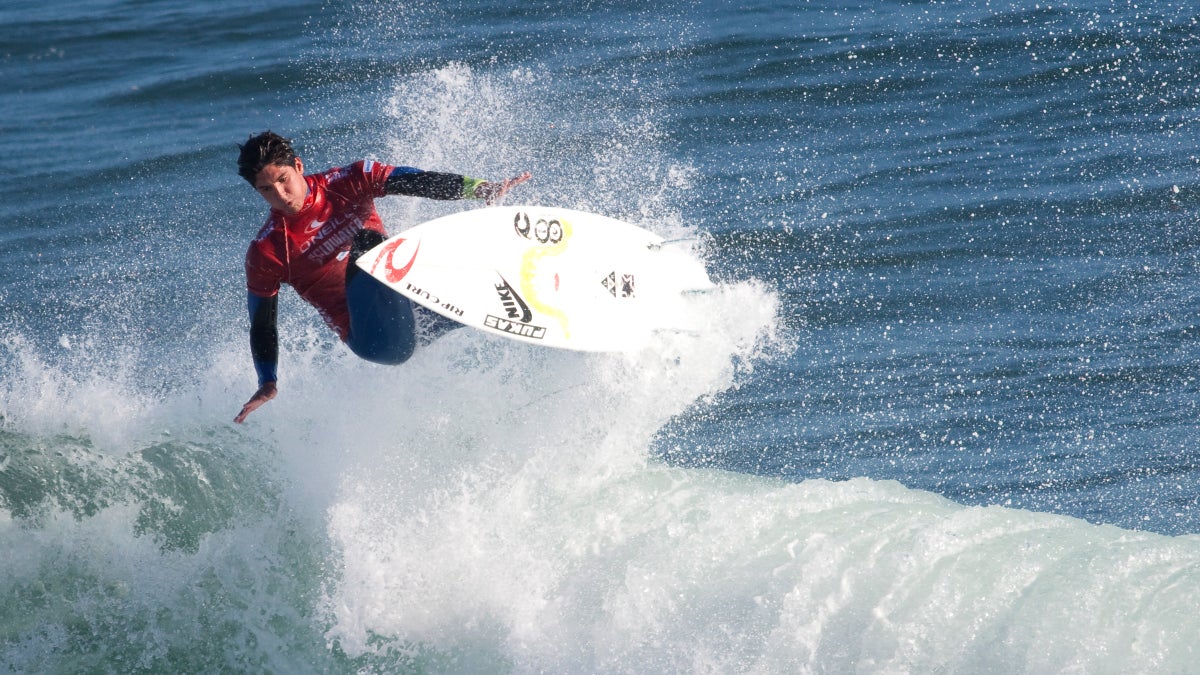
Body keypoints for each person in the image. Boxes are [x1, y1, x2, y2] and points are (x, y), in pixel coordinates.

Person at [233, 131, 530, 423]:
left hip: (416, 310)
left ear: (298, 166)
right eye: (266, 190)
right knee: (369, 245)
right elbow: (262, 324)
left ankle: (530, 285)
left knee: (486, 283)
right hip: (379, 341)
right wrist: (267, 380)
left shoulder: (349, 180)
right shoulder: (268, 250)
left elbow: (413, 181)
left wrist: (478, 188)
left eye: (283, 180)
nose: (281, 195)